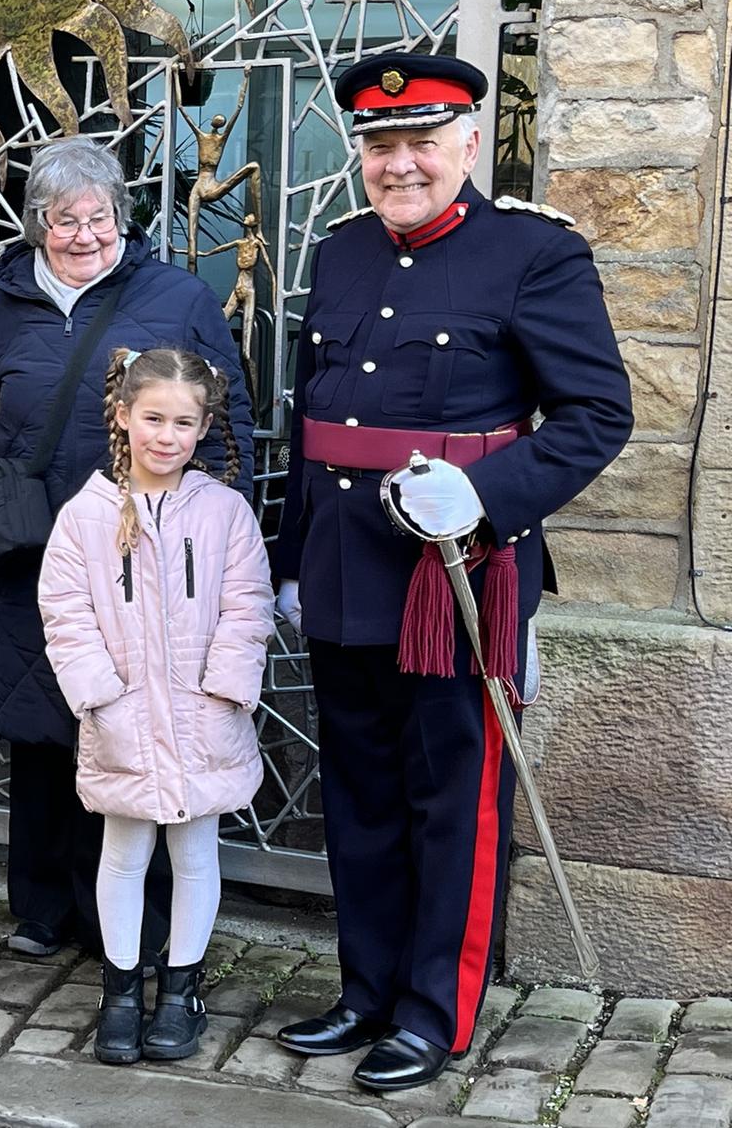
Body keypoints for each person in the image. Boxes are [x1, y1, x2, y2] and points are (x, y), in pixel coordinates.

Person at [271, 54, 631, 1092]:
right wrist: (290, 558)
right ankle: (366, 990)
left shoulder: (533, 252)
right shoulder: (339, 251)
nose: (399, 164)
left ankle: (434, 1010)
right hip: (344, 567)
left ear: (467, 144)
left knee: (451, 800)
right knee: (357, 794)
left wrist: (481, 495)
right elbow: (310, 421)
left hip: (455, 576)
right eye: (380, 146)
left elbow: (597, 414)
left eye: (421, 142)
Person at [0, 136, 254, 961]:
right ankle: (43, 905)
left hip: (147, 556)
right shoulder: (1, 306)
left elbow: (226, 416)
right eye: (64, 219)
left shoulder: (176, 297)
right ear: (37, 223)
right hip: (38, 549)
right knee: (42, 725)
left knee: (133, 725)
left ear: (122, 217)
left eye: (100, 217)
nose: (84, 234)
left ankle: (127, 924)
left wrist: (205, 527)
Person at [38, 347, 272, 1065]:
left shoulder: (224, 512)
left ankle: (180, 988)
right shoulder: (87, 515)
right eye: (153, 419)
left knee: (195, 851)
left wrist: (226, 686)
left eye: (183, 423)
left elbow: (247, 604)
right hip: (125, 717)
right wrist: (100, 693)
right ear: (123, 416)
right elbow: (66, 611)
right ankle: (119, 990)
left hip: (203, 715)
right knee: (124, 851)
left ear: (203, 428)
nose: (167, 436)